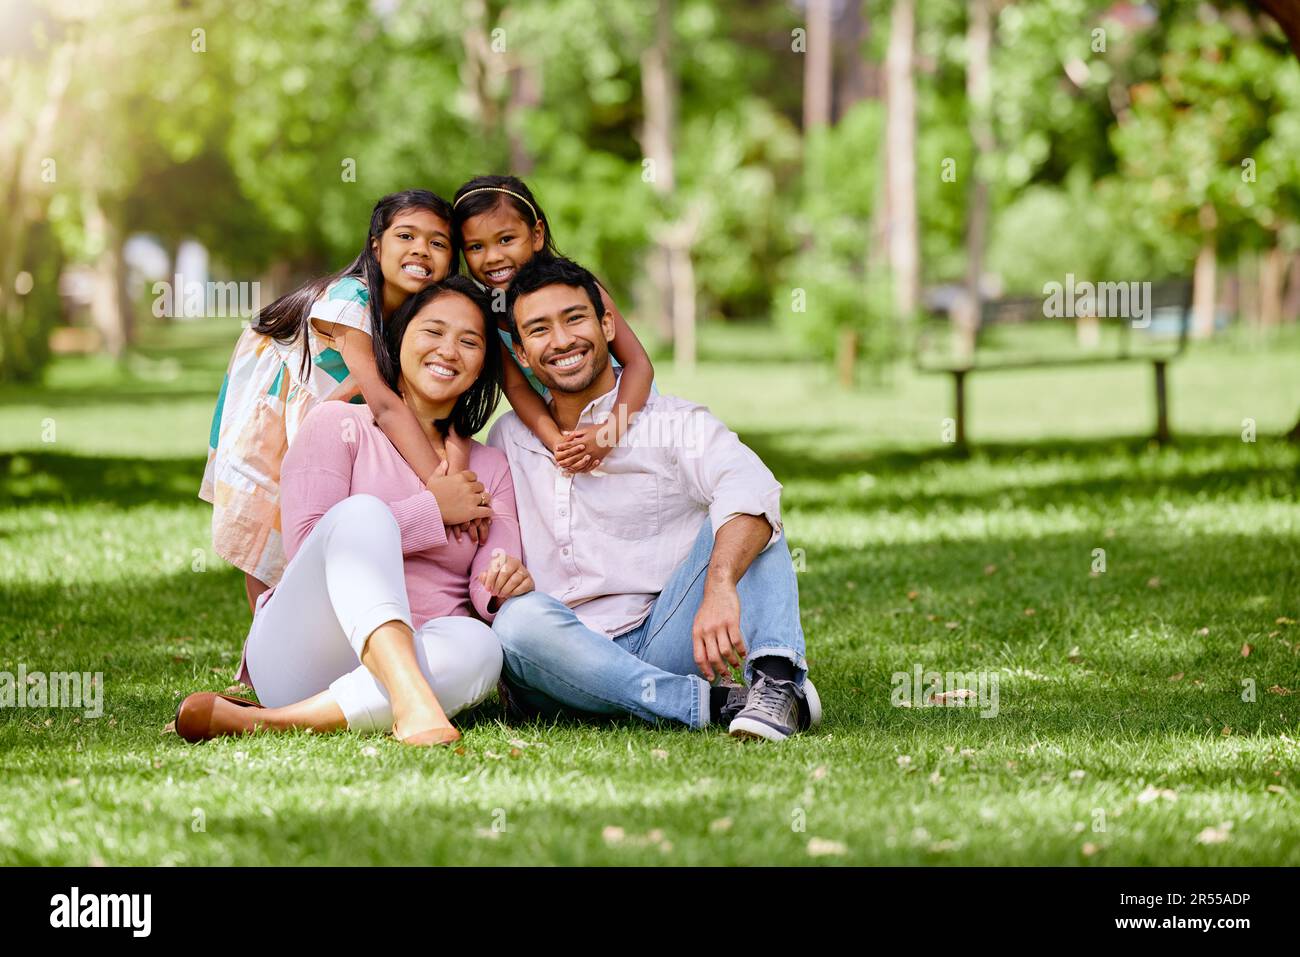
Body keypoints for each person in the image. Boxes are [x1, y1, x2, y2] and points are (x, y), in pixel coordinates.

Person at [175, 277, 532, 746]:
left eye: (470, 341)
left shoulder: (489, 465)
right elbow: (310, 549)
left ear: (483, 363)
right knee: (361, 514)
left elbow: (492, 571)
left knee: (482, 649)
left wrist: (504, 581)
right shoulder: (339, 424)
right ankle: (406, 695)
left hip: (425, 651)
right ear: (399, 339)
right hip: (306, 649)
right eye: (433, 332)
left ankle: (271, 721)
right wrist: (431, 511)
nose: (449, 350)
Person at [488, 257, 821, 742]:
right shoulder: (508, 438)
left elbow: (749, 488)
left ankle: (777, 681)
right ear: (520, 353)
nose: (561, 341)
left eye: (575, 318)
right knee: (518, 623)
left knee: (748, 503)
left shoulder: (670, 421)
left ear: (607, 325)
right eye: (539, 330)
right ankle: (711, 703)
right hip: (563, 651)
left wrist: (720, 583)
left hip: (667, 635)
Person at [199, 190, 489, 615]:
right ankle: (267, 628)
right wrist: (436, 487)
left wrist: (454, 473)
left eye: (437, 243)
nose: (420, 251)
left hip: (330, 398)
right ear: (376, 244)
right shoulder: (350, 297)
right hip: (279, 391)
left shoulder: (418, 313)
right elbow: (385, 404)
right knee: (274, 512)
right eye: (405, 236)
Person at [452, 175, 655, 474]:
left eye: (506, 239)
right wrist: (555, 440)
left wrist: (608, 432)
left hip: (627, 413)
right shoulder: (487, 316)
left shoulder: (576, 289)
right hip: (565, 427)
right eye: (475, 247)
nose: (493, 257)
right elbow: (518, 388)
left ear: (536, 235)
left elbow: (638, 363)